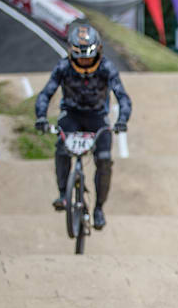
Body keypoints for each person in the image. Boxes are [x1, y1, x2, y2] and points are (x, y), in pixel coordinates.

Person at [35, 23, 131, 229]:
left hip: (98, 117)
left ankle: (98, 208)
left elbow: (123, 97)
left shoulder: (107, 68)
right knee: (61, 149)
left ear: (98, 53)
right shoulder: (63, 67)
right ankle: (63, 194)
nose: (86, 62)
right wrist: (41, 117)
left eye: (89, 57)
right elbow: (45, 94)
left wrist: (122, 120)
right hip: (71, 114)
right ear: (71, 54)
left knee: (104, 160)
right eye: (81, 58)